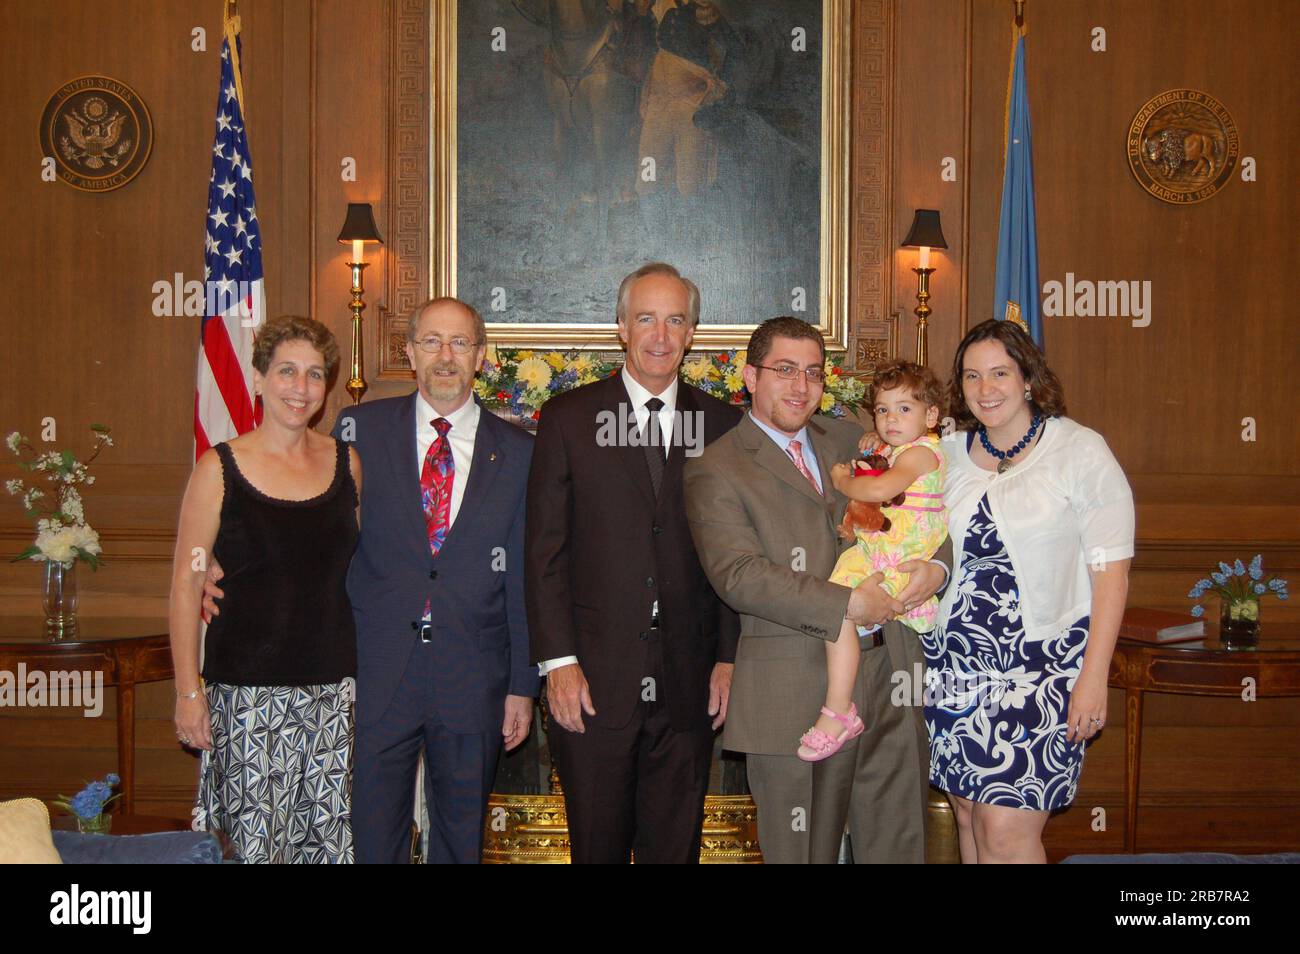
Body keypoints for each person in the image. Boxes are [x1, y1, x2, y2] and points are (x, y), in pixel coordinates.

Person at [204, 297, 537, 864]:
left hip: (474, 676)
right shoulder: (357, 432)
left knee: (462, 842)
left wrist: (523, 685)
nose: (446, 356)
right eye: (431, 341)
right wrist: (218, 556)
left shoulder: (524, 452)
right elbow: (306, 524)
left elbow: (528, 578)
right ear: (409, 353)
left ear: (481, 356)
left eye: (460, 343)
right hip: (374, 671)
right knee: (370, 840)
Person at [683, 316, 952, 863]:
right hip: (792, 690)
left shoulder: (857, 436)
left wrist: (938, 569)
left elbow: (928, 508)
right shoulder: (717, 467)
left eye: (812, 372)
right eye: (784, 370)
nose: (801, 386)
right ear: (750, 376)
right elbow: (739, 574)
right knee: (805, 852)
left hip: (893, 671)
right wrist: (848, 604)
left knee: (898, 845)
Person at [526, 262, 741, 863]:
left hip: (689, 679)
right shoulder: (568, 418)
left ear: (692, 332)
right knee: (597, 847)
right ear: (621, 327)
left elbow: (735, 558)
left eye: (676, 320)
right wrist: (558, 663)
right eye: (646, 318)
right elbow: (543, 553)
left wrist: (727, 656)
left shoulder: (722, 425)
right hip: (593, 679)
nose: (660, 335)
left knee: (675, 849)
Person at [928, 318, 1132, 863]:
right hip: (954, 665)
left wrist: (1094, 679)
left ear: (1027, 379)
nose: (986, 388)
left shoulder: (1079, 450)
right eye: (972, 376)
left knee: (1007, 832)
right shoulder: (942, 455)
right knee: (969, 818)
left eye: (1000, 373)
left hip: (1043, 669)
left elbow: (1111, 574)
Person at [170, 315, 360, 863]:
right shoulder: (219, 468)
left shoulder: (347, 464)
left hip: (333, 692)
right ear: (257, 379)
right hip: (246, 698)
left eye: (314, 374)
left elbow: (358, 568)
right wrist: (188, 693)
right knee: (253, 852)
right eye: (286, 372)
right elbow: (187, 585)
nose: (300, 389)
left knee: (326, 848)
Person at [797, 360, 948, 761]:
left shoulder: (922, 454)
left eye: (904, 409)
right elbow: (882, 453)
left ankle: (838, 710)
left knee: (843, 611)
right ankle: (842, 702)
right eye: (882, 410)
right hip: (874, 551)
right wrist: (873, 439)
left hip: (902, 557)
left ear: (931, 416)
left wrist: (843, 480)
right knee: (837, 605)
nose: (890, 419)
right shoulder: (894, 446)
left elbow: (881, 486)